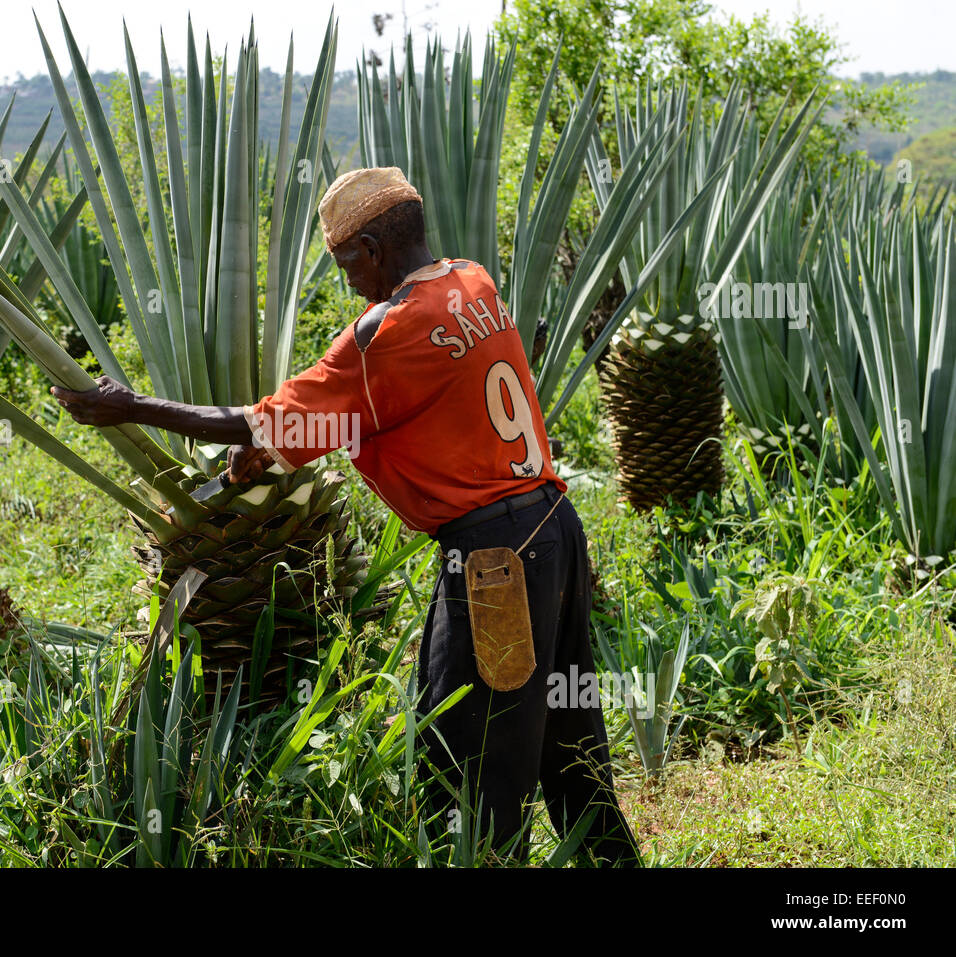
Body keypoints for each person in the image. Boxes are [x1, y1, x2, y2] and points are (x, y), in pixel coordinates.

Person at [51, 166, 640, 865]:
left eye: (344, 265)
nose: (347, 281)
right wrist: (274, 451)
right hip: (555, 531)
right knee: (571, 744)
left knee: (466, 766)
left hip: (493, 563)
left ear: (369, 248)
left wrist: (132, 407)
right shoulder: (472, 283)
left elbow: (251, 419)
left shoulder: (380, 335)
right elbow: (403, 407)